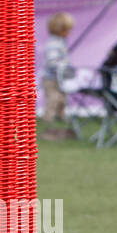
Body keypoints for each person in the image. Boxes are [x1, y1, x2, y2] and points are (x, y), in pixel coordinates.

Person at [41, 11, 77, 140]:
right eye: (68, 30)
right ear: (61, 30)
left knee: (62, 100)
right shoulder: (53, 43)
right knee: (53, 99)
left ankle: (61, 121)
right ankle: (48, 122)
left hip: (60, 78)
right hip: (51, 79)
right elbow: (52, 62)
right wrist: (62, 67)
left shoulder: (62, 42)